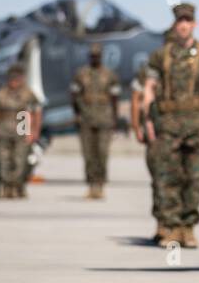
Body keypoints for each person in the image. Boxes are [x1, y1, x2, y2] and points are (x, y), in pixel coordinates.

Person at [143, 3, 199, 248]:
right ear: (174, 24)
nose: (184, 25)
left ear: (194, 24)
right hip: (167, 125)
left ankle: (188, 228)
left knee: (195, 178)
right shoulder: (160, 56)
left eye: (188, 21)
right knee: (168, 178)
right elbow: (148, 90)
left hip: (197, 124)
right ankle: (171, 227)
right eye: (180, 21)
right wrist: (148, 122)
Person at [70, 42, 121, 199]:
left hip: (104, 119)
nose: (95, 58)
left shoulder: (110, 75)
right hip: (86, 119)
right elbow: (74, 95)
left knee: (102, 153)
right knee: (88, 154)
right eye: (92, 56)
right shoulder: (81, 74)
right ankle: (91, 184)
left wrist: (115, 118)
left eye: (97, 55)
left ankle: (100, 184)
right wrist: (78, 114)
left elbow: (115, 97)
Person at [130, 47, 171, 242]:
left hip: (181, 132)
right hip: (156, 134)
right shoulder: (148, 70)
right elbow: (136, 98)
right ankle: (163, 224)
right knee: (159, 180)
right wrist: (137, 126)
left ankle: (180, 225)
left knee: (181, 179)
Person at [0, 64, 42, 199]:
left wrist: (34, 131)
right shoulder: (0, 93)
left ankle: (17, 187)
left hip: (21, 125)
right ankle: (5, 187)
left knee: (20, 161)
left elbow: (36, 113)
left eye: (17, 78)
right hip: (4, 128)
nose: (14, 81)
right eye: (12, 78)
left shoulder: (28, 94)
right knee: (3, 161)